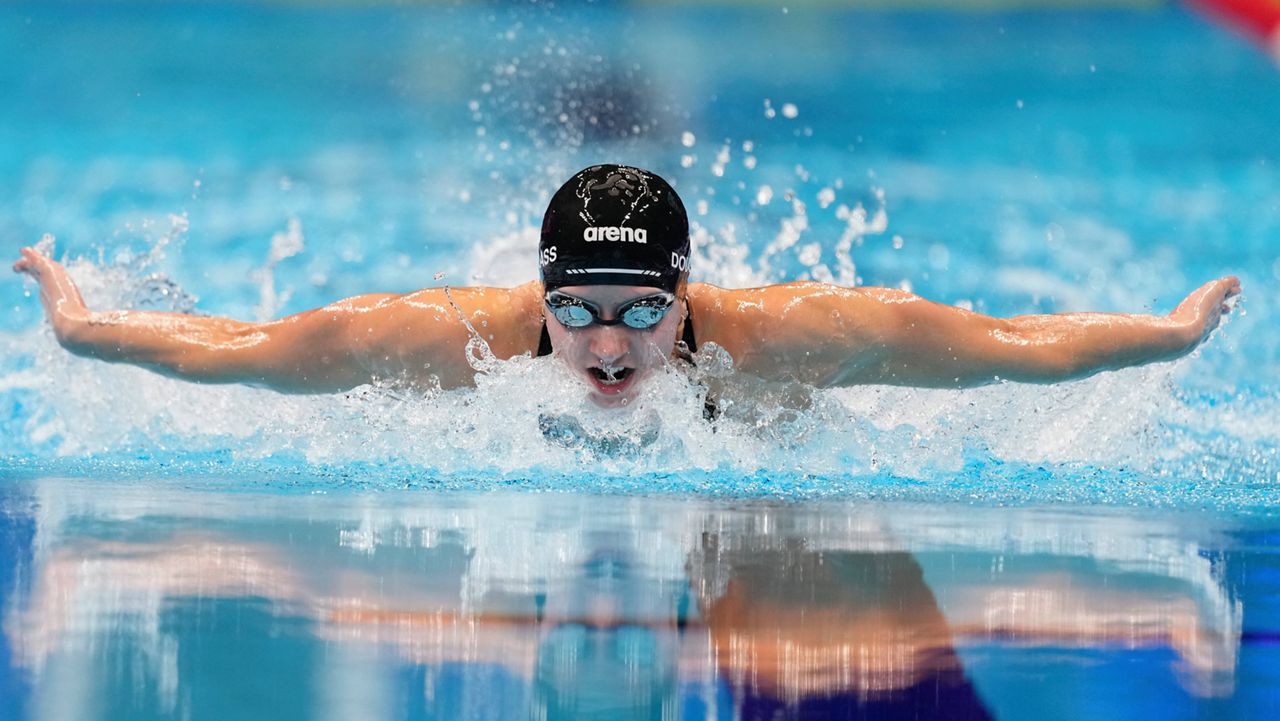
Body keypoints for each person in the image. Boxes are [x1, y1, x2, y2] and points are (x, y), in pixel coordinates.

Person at [12, 164, 1240, 410]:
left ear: (686, 292)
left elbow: (1017, 341)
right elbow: (242, 345)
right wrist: (86, 331)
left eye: (643, 310)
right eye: (580, 310)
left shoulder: (793, 338)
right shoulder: (443, 344)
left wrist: (1166, 337)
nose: (607, 346)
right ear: (536, 294)